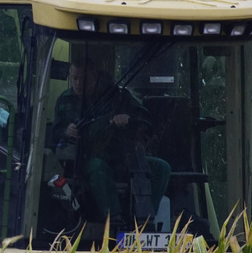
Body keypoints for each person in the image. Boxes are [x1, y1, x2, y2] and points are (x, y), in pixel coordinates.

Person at [51, 49, 170, 226]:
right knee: (97, 167)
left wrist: (127, 119)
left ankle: (146, 220)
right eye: (73, 78)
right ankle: (114, 221)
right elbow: (54, 134)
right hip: (85, 160)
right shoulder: (65, 101)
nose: (77, 83)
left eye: (83, 79)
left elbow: (144, 120)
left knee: (161, 167)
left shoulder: (117, 97)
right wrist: (66, 131)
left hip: (121, 158)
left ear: (95, 77)